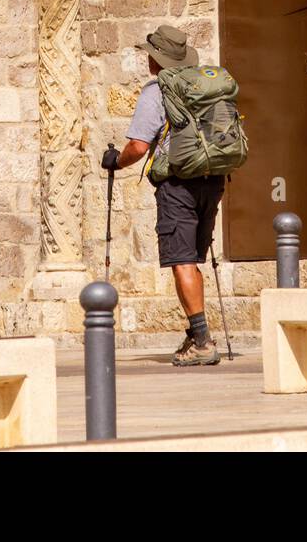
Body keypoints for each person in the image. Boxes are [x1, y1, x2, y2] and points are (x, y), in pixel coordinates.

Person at [102, 23, 225, 367]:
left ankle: (202, 341)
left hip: (178, 185)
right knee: (192, 258)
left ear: (156, 61)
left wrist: (115, 161)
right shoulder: (207, 86)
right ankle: (195, 332)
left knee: (182, 260)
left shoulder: (157, 91)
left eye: (149, 56)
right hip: (212, 180)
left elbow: (139, 146)